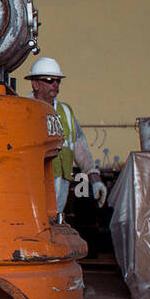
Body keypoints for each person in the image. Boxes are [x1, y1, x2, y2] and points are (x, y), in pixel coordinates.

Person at [27, 57, 106, 215]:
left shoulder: (66, 112)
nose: (55, 85)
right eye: (49, 80)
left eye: (58, 81)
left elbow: (79, 147)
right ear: (35, 84)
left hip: (61, 188)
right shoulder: (24, 110)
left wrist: (94, 178)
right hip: (32, 189)